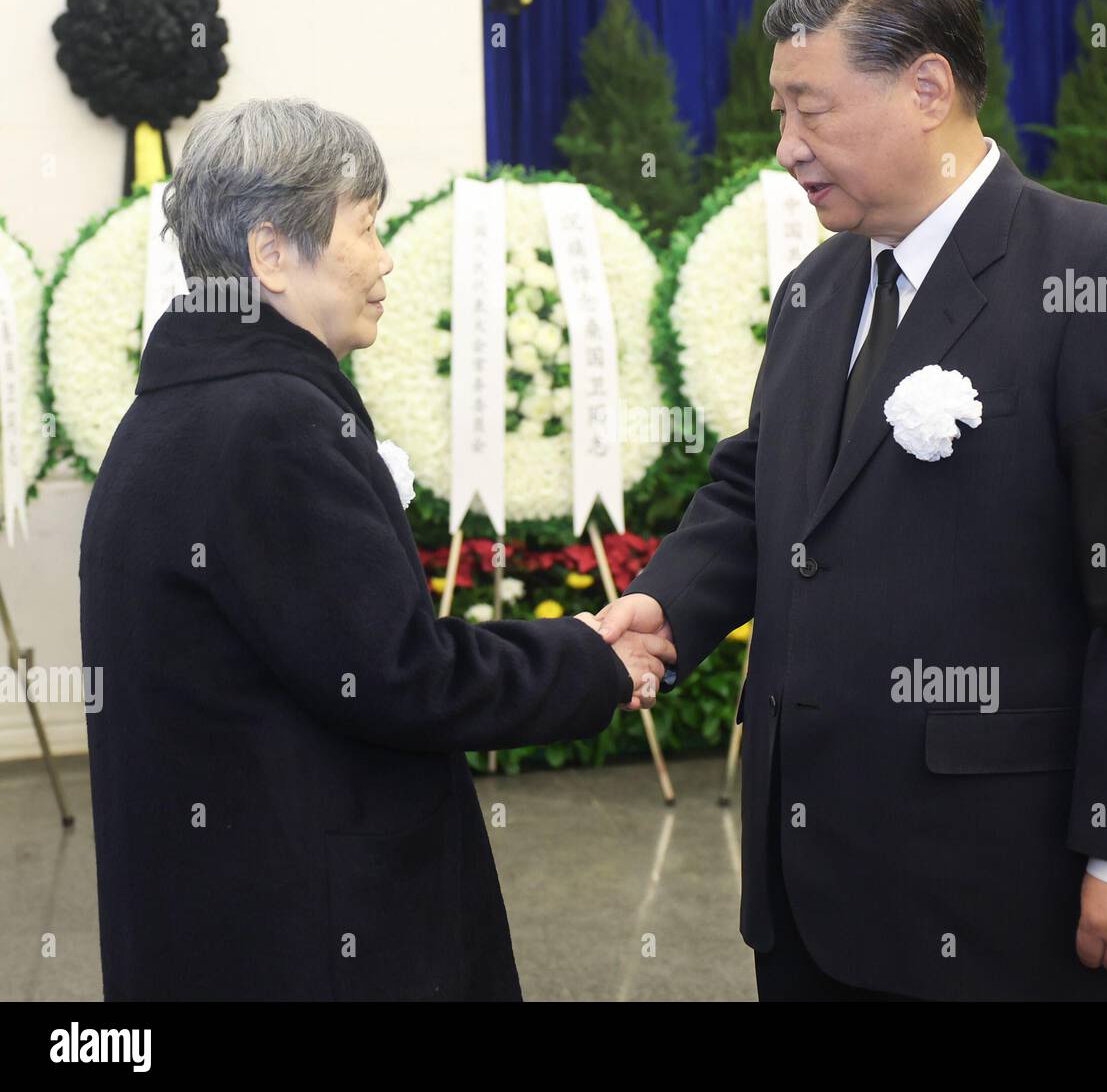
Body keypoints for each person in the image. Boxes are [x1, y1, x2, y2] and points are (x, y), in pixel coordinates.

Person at [595, 0, 1107, 1002]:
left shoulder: (1101, 274)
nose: (785, 149)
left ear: (925, 88)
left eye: (810, 112)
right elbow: (761, 486)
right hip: (806, 891)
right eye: (778, 115)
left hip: (1003, 893)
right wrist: (665, 605)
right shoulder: (817, 291)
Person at [79, 97, 673, 1001]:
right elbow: (399, 673)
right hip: (311, 932)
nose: (385, 257)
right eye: (367, 226)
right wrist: (589, 661)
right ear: (272, 253)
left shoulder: (177, 410)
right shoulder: (269, 421)